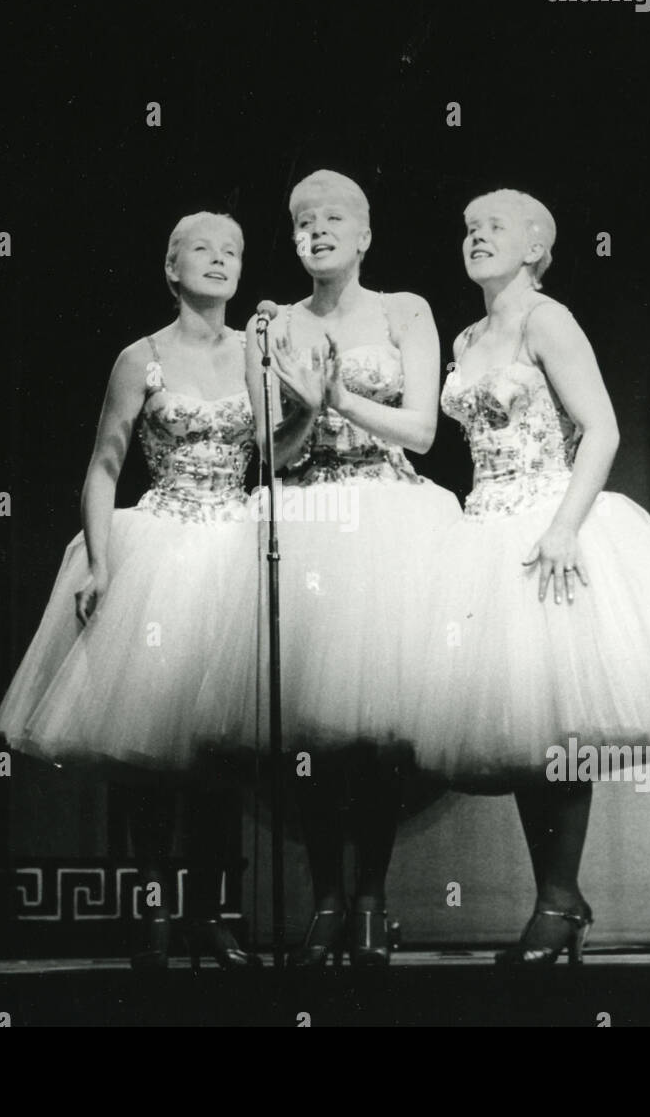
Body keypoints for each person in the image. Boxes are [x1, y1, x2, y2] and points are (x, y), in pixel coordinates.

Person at [409, 189, 650, 965]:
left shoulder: (549, 319)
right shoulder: (469, 335)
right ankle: (559, 902)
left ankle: (558, 900)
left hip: (550, 519)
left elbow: (600, 428)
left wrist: (565, 525)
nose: (475, 238)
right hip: (484, 530)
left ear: (536, 245)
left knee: (562, 725)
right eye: (467, 228)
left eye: (494, 228)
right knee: (526, 731)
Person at [0, 211, 262, 970]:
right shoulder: (139, 357)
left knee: (223, 749)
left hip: (235, 547)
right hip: (164, 544)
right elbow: (105, 464)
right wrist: (102, 562)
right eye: (201, 250)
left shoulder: (256, 354)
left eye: (232, 251)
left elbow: (283, 448)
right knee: (148, 753)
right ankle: (153, 910)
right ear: (171, 269)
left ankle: (210, 913)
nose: (219, 260)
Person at [246, 170, 462, 966]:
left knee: (379, 734)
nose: (319, 229)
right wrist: (304, 408)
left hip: (387, 514)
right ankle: (326, 897)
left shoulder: (407, 310)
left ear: (366, 234)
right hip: (306, 517)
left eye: (336, 217)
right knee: (309, 732)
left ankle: (371, 899)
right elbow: (266, 452)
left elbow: (422, 430)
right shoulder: (273, 323)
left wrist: (337, 396)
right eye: (304, 220)